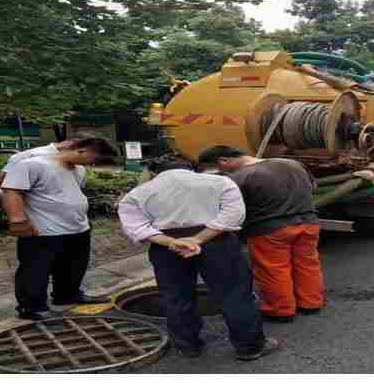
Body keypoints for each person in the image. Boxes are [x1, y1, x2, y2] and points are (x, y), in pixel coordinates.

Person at [117, 155, 279, 361]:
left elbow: (135, 226)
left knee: (176, 296)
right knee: (234, 293)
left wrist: (172, 242)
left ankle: (187, 346)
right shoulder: (220, 182)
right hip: (217, 241)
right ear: (194, 168)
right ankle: (250, 346)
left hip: (166, 248)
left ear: (155, 172)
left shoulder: (138, 193)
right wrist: (197, 239)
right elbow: (233, 215)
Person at [198, 146, 324, 323]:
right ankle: (311, 304)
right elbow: (313, 186)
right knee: (307, 263)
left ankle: (281, 311)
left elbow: (231, 208)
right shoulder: (293, 164)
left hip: (270, 229)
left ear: (224, 161)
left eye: (219, 169)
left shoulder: (240, 178)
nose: (221, 173)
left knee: (273, 269)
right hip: (309, 223)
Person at [0, 138, 120, 320]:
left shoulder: (79, 170)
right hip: (44, 229)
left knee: (73, 266)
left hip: (78, 227)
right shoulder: (32, 164)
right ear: (82, 150)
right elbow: (12, 191)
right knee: (35, 269)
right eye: (95, 159)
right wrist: (18, 220)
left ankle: (67, 295)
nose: (94, 164)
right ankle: (32, 307)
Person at [0, 131, 101, 188]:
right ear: (73, 144)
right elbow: (5, 184)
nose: (92, 161)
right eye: (93, 153)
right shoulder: (30, 156)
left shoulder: (79, 166)